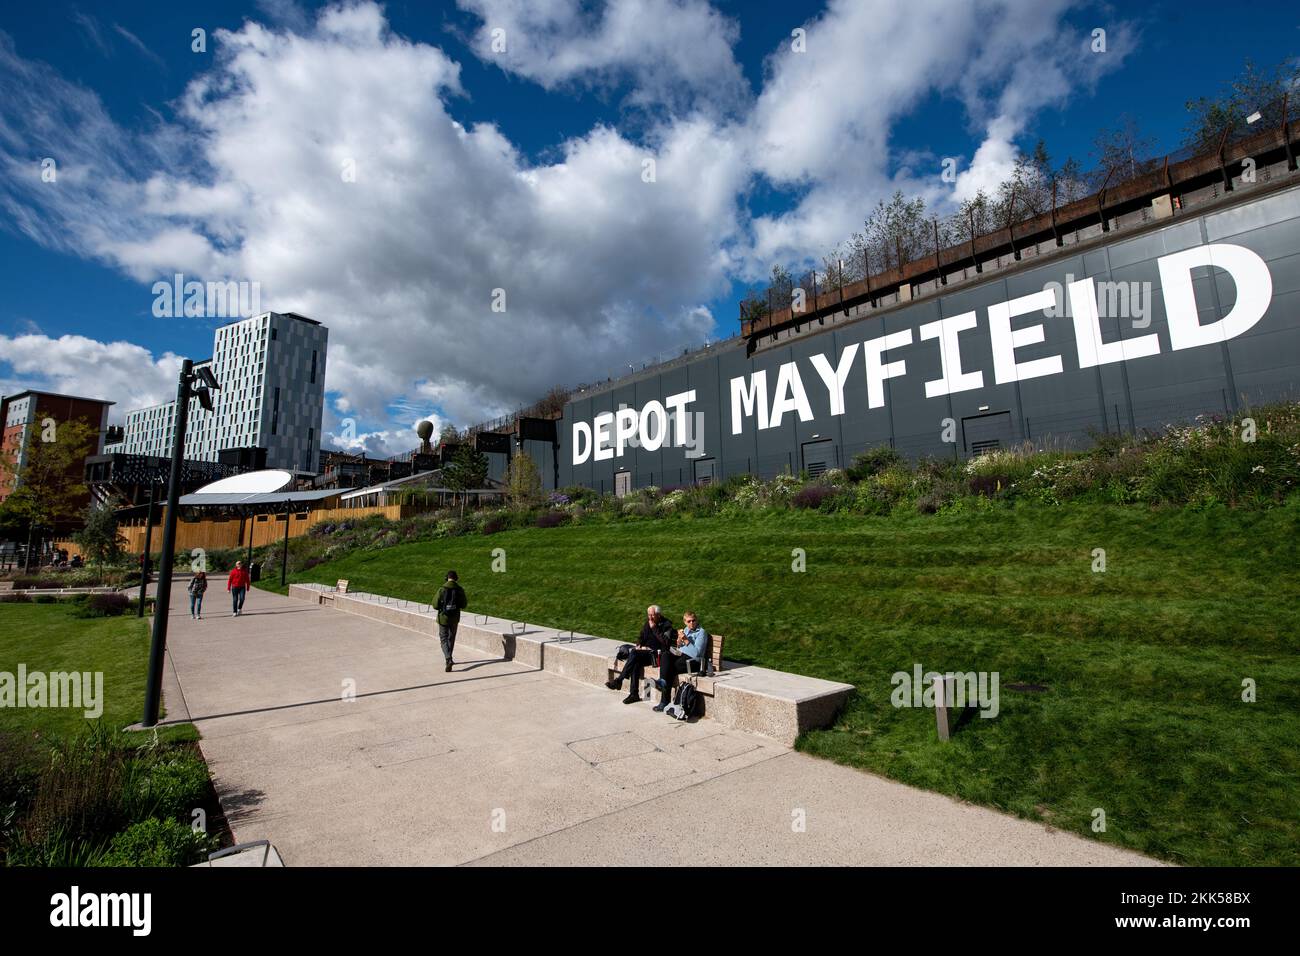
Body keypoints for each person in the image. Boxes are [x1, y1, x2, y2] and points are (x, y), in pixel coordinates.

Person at [606, 605, 676, 705]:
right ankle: (633, 694)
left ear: (659, 615)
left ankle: (619, 680)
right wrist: (639, 645)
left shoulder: (667, 625)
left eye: (652, 615)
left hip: (657, 655)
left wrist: (655, 628)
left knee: (634, 654)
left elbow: (666, 643)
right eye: (649, 615)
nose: (650, 618)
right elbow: (641, 636)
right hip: (645, 653)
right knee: (635, 660)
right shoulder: (648, 623)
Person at [653, 609, 709, 712]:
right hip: (682, 656)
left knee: (669, 669)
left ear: (696, 620)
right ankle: (662, 682)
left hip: (693, 662)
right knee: (665, 654)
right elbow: (681, 648)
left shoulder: (701, 633)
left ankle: (664, 700)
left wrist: (686, 640)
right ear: (685, 622)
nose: (692, 623)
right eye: (689, 621)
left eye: (693, 620)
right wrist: (679, 641)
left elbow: (697, 654)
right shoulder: (686, 630)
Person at [435, 570, 468, 672]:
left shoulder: (442, 589)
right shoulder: (460, 590)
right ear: (456, 579)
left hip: (443, 618)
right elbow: (464, 605)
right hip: (454, 618)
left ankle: (448, 659)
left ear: (447, 578)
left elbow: (435, 605)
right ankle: (449, 658)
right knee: (451, 638)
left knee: (443, 639)